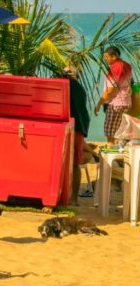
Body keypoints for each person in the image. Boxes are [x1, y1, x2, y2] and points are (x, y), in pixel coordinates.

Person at [59, 66, 91, 204]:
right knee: (75, 164)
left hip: (65, 127)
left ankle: (61, 196)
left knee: (61, 163)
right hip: (79, 128)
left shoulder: (62, 85)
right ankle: (74, 199)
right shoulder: (80, 89)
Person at [94, 46, 133, 142]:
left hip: (116, 104)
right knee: (121, 131)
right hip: (126, 102)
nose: (105, 59)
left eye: (107, 57)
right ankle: (119, 150)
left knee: (110, 132)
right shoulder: (127, 65)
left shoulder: (116, 68)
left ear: (114, 56)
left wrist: (99, 104)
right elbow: (131, 83)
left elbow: (110, 90)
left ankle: (112, 150)